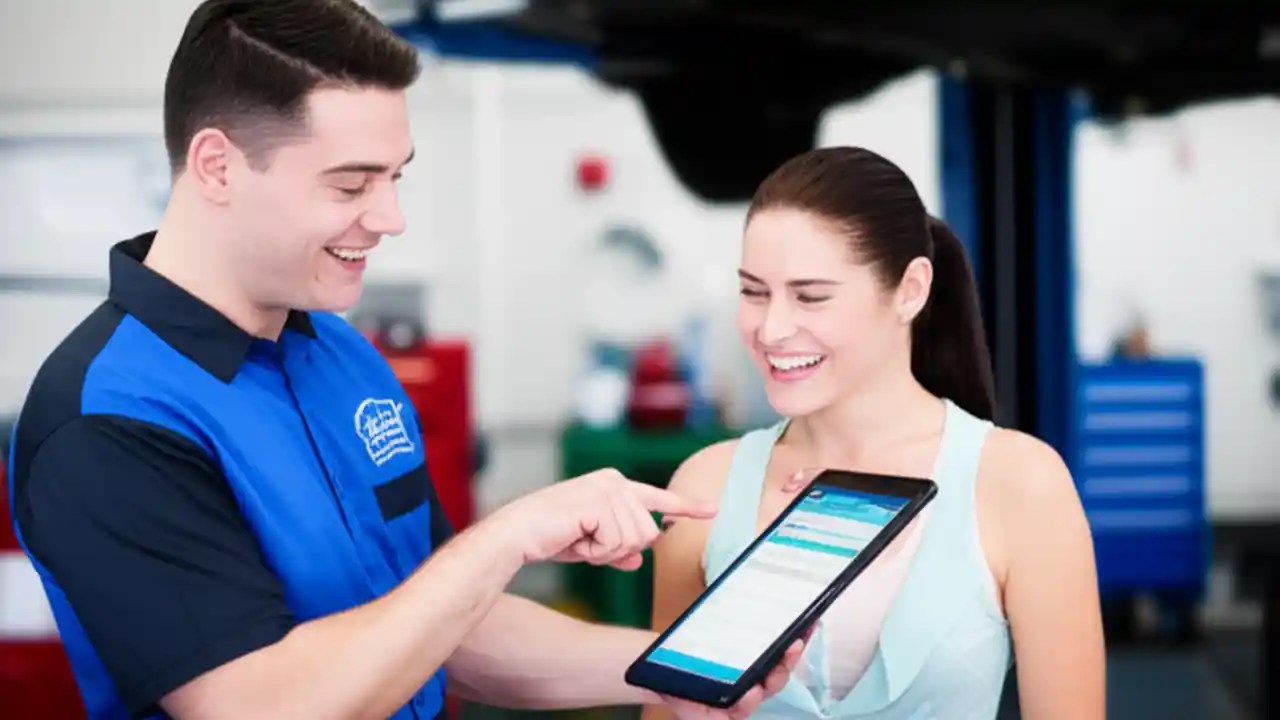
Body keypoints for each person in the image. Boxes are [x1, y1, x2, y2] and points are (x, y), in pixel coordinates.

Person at [4, 2, 805, 718]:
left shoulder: (342, 355)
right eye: (351, 185)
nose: (388, 218)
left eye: (394, 178)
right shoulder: (108, 416)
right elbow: (259, 705)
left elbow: (444, 627)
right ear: (217, 166)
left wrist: (680, 667)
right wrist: (506, 541)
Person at [646, 147, 1106, 719]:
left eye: (811, 296)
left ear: (911, 289)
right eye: (753, 292)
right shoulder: (705, 488)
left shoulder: (1018, 483)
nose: (772, 328)